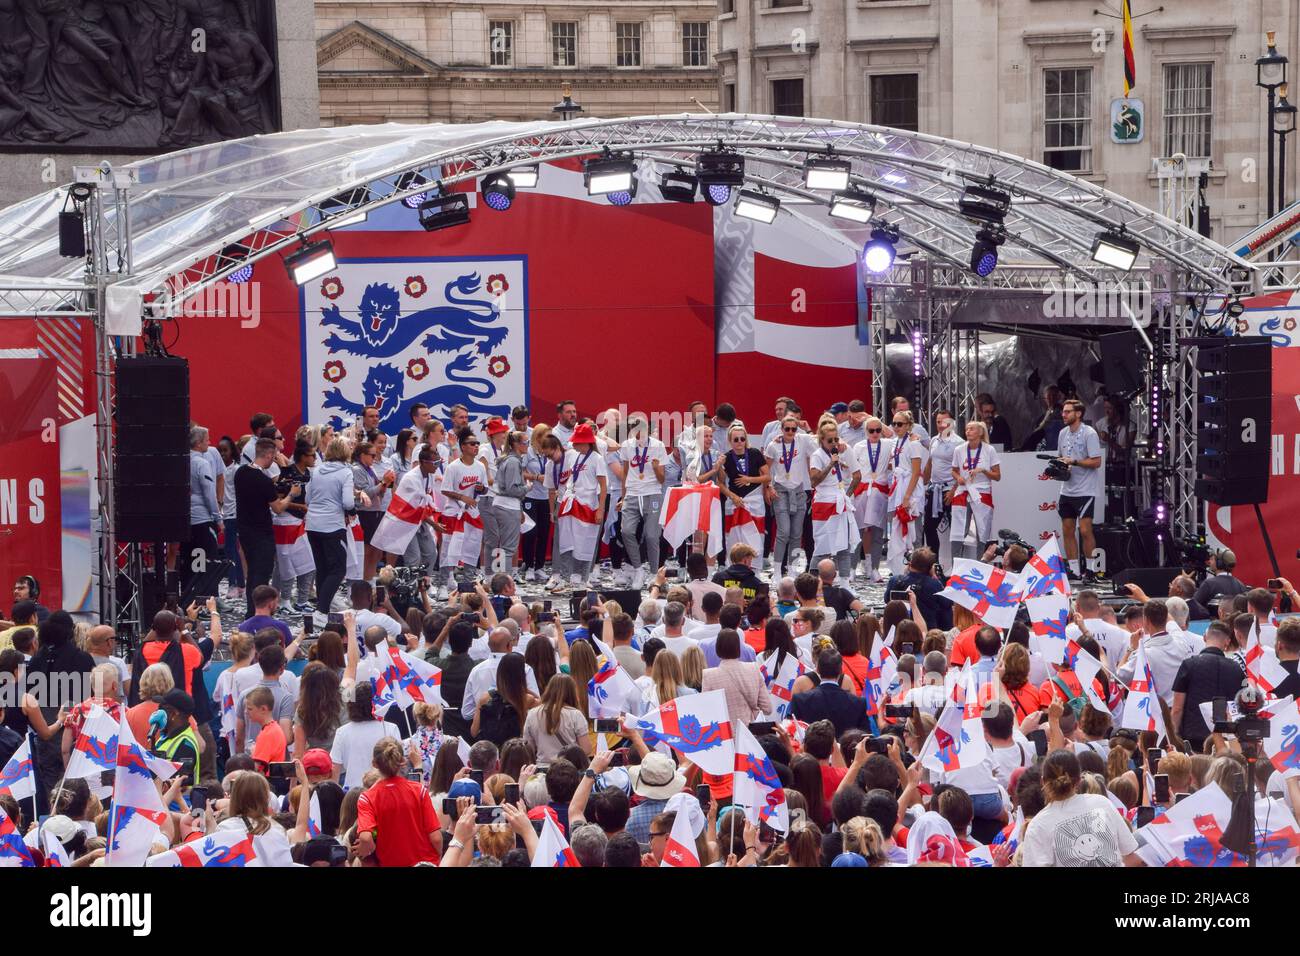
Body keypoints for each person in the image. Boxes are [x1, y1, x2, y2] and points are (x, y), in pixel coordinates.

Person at [1020, 749, 1141, 866]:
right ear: (1079, 780)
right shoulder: (1102, 803)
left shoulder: (1038, 826)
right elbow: (1132, 856)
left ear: (1043, 781)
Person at [235, 438, 301, 617]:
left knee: (253, 574)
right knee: (262, 575)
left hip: (245, 531)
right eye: (274, 456)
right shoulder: (263, 481)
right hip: (262, 533)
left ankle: (251, 611)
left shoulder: (240, 473)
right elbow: (278, 508)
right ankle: (259, 613)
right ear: (270, 455)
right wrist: (292, 495)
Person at [353, 737, 441, 866]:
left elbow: (365, 838)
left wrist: (367, 849)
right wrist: (438, 858)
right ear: (402, 761)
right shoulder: (419, 791)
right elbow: (436, 838)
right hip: (426, 862)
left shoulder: (367, 798)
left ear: (374, 764)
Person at [545, 424, 607, 590]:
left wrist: (600, 509)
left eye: (577, 442)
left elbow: (603, 486)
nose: (574, 445)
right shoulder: (577, 457)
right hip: (573, 504)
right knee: (568, 542)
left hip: (589, 506)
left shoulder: (597, 459)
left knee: (586, 542)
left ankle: (582, 578)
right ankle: (568, 577)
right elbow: (573, 480)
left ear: (586, 442)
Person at [1170, 622, 1246, 753]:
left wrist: (1174, 737)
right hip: (1225, 739)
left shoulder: (1189, 665)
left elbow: (1177, 708)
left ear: (1204, 637)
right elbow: (1239, 707)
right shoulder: (1236, 668)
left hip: (1193, 739)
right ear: (1227, 642)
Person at [305, 437, 358, 624]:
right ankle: (321, 612)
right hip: (332, 525)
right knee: (337, 570)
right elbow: (348, 502)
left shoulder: (316, 470)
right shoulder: (346, 472)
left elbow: (308, 498)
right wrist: (351, 511)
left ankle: (322, 611)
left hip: (312, 525)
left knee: (323, 569)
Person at [1054, 398, 1104, 581]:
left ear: (1078, 413)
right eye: (1063, 411)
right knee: (1067, 529)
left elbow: (1097, 461)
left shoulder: (1089, 433)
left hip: (1085, 490)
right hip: (1067, 489)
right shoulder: (1062, 433)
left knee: (1084, 530)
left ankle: (1090, 570)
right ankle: (1074, 570)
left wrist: (1074, 462)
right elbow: (1062, 457)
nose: (1064, 414)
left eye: (1068, 411)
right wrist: (1060, 467)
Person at [618, 414, 668, 589]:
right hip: (632, 494)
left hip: (652, 494)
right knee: (626, 531)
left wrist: (655, 468)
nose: (638, 434)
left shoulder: (658, 446)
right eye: (634, 430)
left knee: (652, 536)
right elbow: (625, 473)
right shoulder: (626, 446)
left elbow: (662, 480)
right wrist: (623, 498)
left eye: (641, 430)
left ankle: (655, 573)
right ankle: (638, 569)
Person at [764, 414, 816, 578]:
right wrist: (768, 487)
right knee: (783, 531)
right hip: (781, 491)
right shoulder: (774, 445)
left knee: (796, 533)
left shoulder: (803, 440)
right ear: (781, 429)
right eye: (787, 429)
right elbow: (766, 468)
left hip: (799, 491)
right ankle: (778, 570)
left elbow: (820, 442)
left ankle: (792, 568)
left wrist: (807, 429)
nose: (791, 432)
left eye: (794, 429)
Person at [808, 420, 859, 583]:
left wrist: (847, 494)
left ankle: (844, 582)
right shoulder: (817, 456)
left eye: (836, 439)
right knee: (822, 547)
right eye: (829, 440)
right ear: (822, 440)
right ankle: (811, 581)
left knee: (843, 546)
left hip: (839, 500)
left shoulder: (843, 452)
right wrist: (831, 464)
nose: (833, 443)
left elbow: (857, 476)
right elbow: (814, 482)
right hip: (824, 503)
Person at [440, 427, 489, 590]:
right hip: (454, 513)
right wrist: (462, 497)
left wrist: (481, 489)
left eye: (477, 443)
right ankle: (446, 581)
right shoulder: (453, 467)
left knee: (472, 546)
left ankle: (469, 581)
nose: (476, 446)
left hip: (472, 512)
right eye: (472, 443)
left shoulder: (480, 466)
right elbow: (445, 489)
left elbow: (486, 488)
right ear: (463, 446)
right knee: (450, 547)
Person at [331, 683, 403, 789]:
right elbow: (398, 765)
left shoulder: (342, 732)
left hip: (353, 794)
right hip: (385, 791)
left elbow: (334, 773)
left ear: (351, 705)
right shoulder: (391, 728)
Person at [719, 424, 770, 569]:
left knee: (756, 536)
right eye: (736, 439)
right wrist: (732, 496)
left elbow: (767, 477)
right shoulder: (727, 457)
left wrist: (749, 479)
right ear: (730, 441)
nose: (739, 442)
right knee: (734, 538)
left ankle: (754, 570)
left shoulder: (754, 453)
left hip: (754, 501)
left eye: (742, 438)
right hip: (735, 503)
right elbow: (720, 484)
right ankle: (734, 569)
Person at [949, 420, 1001, 556]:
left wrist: (983, 470)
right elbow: (953, 470)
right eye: (966, 429)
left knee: (982, 532)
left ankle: (982, 564)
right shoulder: (959, 450)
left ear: (980, 432)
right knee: (958, 530)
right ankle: (956, 567)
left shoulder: (989, 450)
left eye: (971, 429)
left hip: (981, 492)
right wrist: (958, 477)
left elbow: (997, 476)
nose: (968, 432)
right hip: (963, 491)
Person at [701, 629, 772, 726]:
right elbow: (767, 709)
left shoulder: (709, 676)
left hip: (725, 735)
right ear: (738, 648)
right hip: (751, 733)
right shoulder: (753, 669)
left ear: (718, 649)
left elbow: (706, 711)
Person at [885, 410, 926, 576]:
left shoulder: (914, 444)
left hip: (910, 487)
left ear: (909, 425)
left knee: (911, 526)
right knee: (897, 525)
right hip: (898, 485)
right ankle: (899, 566)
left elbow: (916, 472)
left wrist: (908, 496)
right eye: (894, 423)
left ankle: (917, 567)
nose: (896, 427)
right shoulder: (895, 442)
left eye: (900, 424)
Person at [790, 650, 869, 735]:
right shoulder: (858, 703)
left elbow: (792, 733)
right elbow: (865, 736)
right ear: (841, 670)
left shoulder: (800, 701)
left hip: (812, 747)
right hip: (846, 747)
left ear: (818, 669)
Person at [184, 425, 221, 593]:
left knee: (190, 562)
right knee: (206, 563)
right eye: (207, 440)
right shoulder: (201, 463)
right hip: (203, 521)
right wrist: (218, 518)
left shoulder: (183, 461)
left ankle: (188, 598)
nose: (210, 443)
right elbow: (209, 493)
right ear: (198, 443)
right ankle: (206, 601)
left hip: (186, 520)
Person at [523, 674, 592, 761]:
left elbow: (528, 748)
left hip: (543, 768)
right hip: (570, 767)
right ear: (572, 692)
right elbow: (586, 749)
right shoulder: (575, 714)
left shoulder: (532, 713)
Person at [882, 547, 952, 632]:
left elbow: (886, 600)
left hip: (898, 630)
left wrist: (905, 576)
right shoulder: (934, 585)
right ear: (930, 569)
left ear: (910, 564)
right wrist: (936, 578)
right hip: (926, 630)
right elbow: (947, 603)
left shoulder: (895, 581)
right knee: (945, 609)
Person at [520, 424, 553, 582]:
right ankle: (528, 566)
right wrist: (535, 477)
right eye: (546, 436)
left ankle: (539, 566)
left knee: (544, 532)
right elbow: (521, 472)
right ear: (538, 437)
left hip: (546, 496)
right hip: (530, 496)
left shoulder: (550, 452)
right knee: (530, 532)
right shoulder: (528, 452)